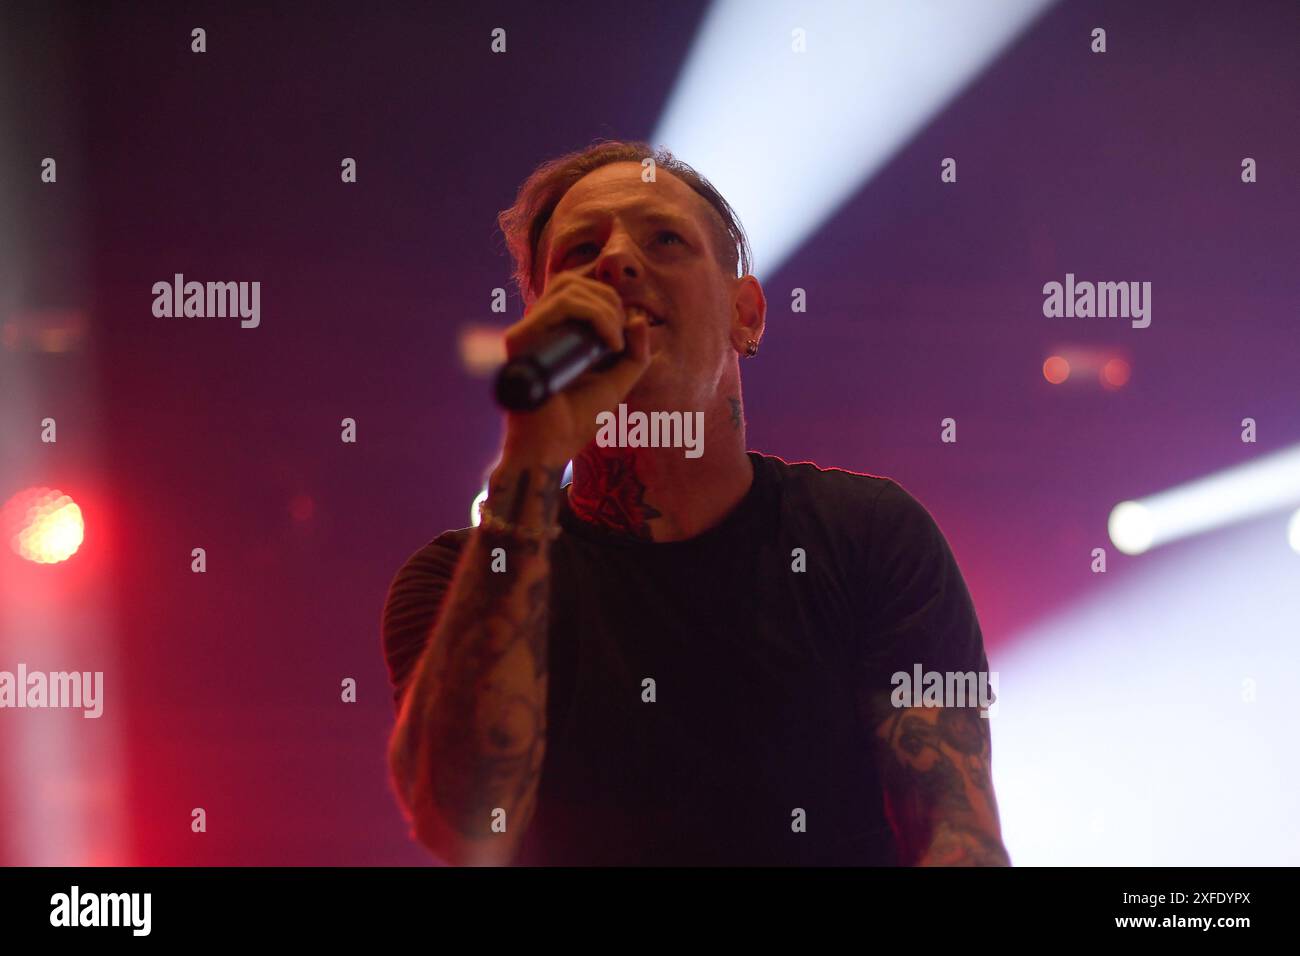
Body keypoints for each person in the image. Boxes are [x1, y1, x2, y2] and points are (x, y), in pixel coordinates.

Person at [382, 139, 1009, 866]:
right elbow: (463, 825)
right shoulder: (457, 580)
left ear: (746, 314)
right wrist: (530, 458)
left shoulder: (869, 536)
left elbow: (959, 837)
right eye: (580, 252)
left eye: (665, 239)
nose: (617, 262)